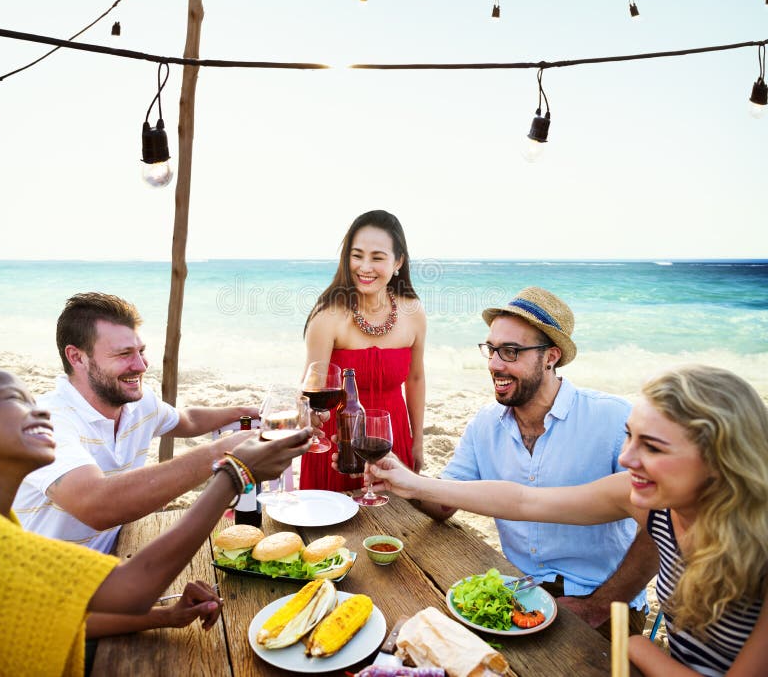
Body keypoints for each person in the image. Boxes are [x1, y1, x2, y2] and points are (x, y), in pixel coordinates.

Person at [367, 365, 768, 677]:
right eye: (630, 437)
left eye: (653, 447)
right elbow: (524, 500)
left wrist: (637, 648)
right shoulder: (656, 505)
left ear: (720, 460)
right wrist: (413, 483)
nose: (627, 458)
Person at [0, 366, 312, 677]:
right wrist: (234, 473)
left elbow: (48, 617)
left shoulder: (0, 523)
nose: (40, 410)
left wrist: (164, 616)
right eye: (16, 399)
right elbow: (134, 586)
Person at [375, 286, 656, 636]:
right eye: (491, 350)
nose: (494, 364)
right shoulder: (484, 425)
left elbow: (660, 528)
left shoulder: (613, 419)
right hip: (520, 590)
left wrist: (600, 605)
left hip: (607, 598)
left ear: (550, 357)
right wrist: (400, 478)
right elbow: (443, 503)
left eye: (510, 352)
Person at [13, 292, 259, 555]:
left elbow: (187, 420)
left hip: (110, 564)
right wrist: (226, 453)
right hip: (38, 583)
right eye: (124, 354)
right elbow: (96, 505)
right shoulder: (44, 422)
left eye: (141, 351)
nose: (141, 366)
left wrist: (243, 412)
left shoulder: (137, 403)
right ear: (77, 357)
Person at [300, 210, 426, 493]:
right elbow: (310, 388)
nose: (364, 267)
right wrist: (308, 418)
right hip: (338, 445)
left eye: (377, 257)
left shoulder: (413, 312)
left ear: (398, 262)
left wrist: (417, 440)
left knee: (394, 530)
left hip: (392, 439)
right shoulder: (328, 316)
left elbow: (416, 379)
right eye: (357, 256)